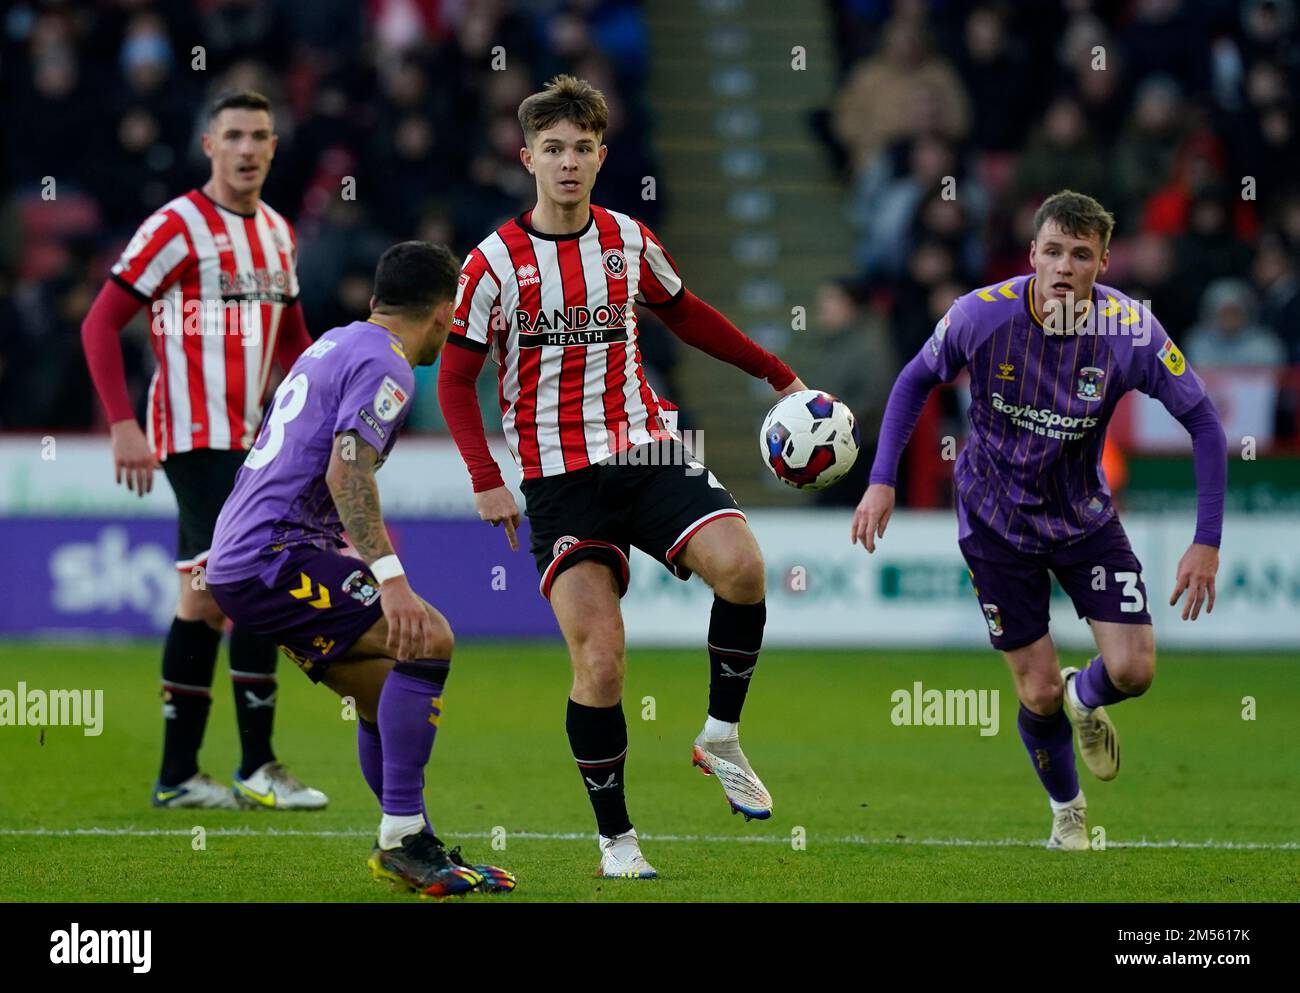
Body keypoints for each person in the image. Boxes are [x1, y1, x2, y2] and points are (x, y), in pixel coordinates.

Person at [438, 75, 806, 878]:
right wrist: (484, 475)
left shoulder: (629, 242)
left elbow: (689, 314)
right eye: (553, 150)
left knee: (743, 569)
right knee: (601, 662)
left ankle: (720, 734)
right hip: (557, 478)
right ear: (527, 156)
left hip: (648, 450)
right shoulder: (492, 264)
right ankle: (618, 840)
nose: (568, 163)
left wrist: (778, 375)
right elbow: (455, 378)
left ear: (602, 157)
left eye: (582, 149)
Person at [851, 189, 1228, 850]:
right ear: (1032, 254)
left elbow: (1204, 423)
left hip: (1083, 517)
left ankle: (1091, 695)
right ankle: (1068, 812)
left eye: (1080, 255)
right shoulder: (980, 316)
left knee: (1135, 671)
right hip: (995, 523)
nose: (1063, 266)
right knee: (1038, 687)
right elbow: (914, 379)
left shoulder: (1131, 331)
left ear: (1103, 263)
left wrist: (1206, 540)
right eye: (1052, 250)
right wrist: (881, 480)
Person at [205, 242, 515, 897]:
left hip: (245, 554)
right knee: (427, 635)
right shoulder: (389, 367)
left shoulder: (337, 342)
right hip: (271, 554)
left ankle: (411, 840)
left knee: (383, 692)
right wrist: (392, 580)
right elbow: (347, 469)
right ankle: (404, 839)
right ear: (442, 312)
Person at [81, 90, 325, 810]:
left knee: (203, 600)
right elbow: (101, 322)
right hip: (190, 434)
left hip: (251, 439)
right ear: (209, 145)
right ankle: (257, 764)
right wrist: (123, 423)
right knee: (253, 579)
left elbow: (291, 338)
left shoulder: (279, 233)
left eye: (260, 136)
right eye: (234, 136)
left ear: (274, 148)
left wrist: (331, 398)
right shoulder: (177, 224)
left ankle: (179, 775)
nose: (248, 148)